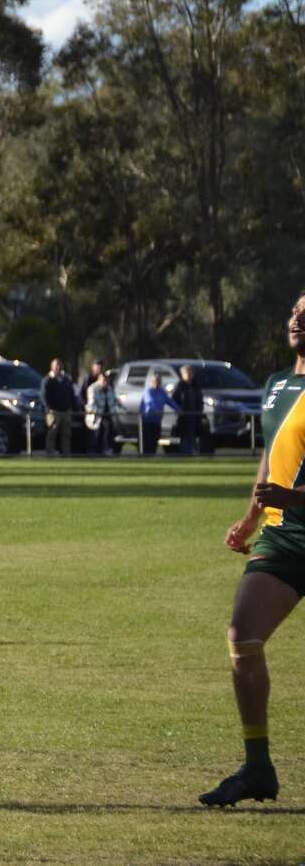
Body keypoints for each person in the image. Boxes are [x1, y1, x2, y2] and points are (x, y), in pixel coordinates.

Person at [200, 291, 305, 806]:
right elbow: (269, 460)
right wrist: (250, 518)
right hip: (285, 537)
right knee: (242, 639)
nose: (297, 318)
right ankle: (258, 767)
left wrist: (292, 497)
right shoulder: (276, 385)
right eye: (295, 310)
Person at [42, 358, 75, 456]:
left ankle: (66, 453)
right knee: (52, 432)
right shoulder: (47, 380)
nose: (59, 367)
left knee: (66, 434)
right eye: (56, 365)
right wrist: (49, 408)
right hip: (53, 411)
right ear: (52, 367)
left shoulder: (66, 379)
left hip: (65, 411)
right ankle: (50, 453)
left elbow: (71, 394)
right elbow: (44, 396)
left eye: (60, 365)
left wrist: (70, 406)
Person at [84, 360, 114, 456]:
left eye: (107, 381)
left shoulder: (110, 389)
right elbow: (91, 402)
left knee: (108, 431)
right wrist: (93, 411)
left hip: (107, 415)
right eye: (104, 380)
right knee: (95, 435)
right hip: (95, 416)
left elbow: (114, 400)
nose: (106, 382)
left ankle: (106, 451)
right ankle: (93, 453)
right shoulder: (92, 388)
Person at [174, 364, 205, 455]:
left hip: (195, 416)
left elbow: (200, 400)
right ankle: (184, 454)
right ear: (182, 375)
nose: (189, 375)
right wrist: (179, 411)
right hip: (184, 417)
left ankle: (191, 453)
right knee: (184, 436)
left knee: (193, 435)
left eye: (190, 373)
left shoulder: (196, 386)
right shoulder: (180, 387)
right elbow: (174, 400)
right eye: (187, 373)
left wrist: (200, 413)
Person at [140, 373, 170, 455]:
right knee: (148, 439)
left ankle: (151, 455)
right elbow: (150, 402)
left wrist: (179, 409)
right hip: (147, 421)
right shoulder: (148, 391)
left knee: (155, 439)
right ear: (150, 382)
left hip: (157, 420)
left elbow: (169, 401)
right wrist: (156, 409)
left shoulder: (162, 392)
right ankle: (146, 455)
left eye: (158, 381)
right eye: (154, 381)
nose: (156, 383)